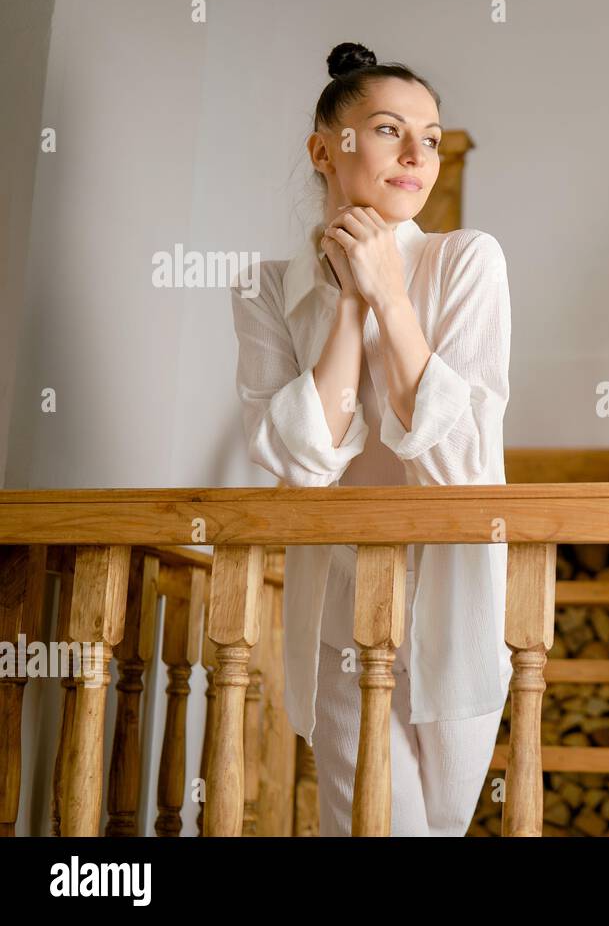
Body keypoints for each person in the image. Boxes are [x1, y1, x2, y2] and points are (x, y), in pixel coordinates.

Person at [229, 41, 513, 835]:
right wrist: (349, 303)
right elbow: (301, 460)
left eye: (432, 136)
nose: (418, 154)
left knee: (442, 824)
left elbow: (461, 461)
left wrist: (392, 294)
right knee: (374, 827)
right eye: (390, 130)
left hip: (458, 593)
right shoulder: (263, 289)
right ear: (326, 149)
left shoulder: (467, 262)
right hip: (340, 608)